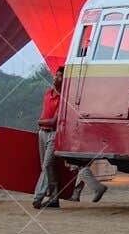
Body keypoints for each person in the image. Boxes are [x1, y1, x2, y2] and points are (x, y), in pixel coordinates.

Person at [33, 67, 106, 209]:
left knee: (52, 165)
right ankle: (54, 198)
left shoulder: (65, 99)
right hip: (43, 133)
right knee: (49, 167)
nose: (55, 78)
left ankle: (38, 196)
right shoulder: (48, 94)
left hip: (56, 134)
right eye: (55, 75)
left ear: (65, 80)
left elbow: (53, 121)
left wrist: (40, 121)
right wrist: (42, 124)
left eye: (60, 76)